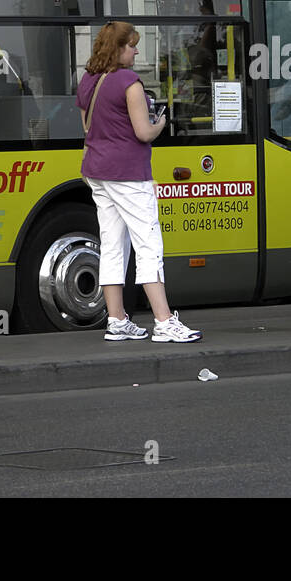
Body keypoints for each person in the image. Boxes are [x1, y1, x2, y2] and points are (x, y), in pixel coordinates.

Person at [77, 21, 201, 343]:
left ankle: (116, 319)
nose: (136, 51)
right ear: (117, 48)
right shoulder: (130, 83)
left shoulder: (88, 81)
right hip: (129, 174)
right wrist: (160, 122)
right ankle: (164, 321)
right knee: (148, 244)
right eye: (132, 45)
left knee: (112, 245)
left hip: (97, 171)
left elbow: (89, 129)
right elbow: (143, 132)